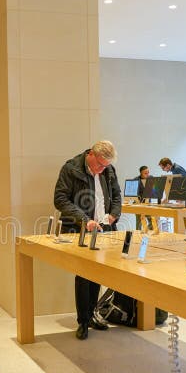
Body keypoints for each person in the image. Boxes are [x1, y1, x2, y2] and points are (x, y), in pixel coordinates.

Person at [54, 141, 122, 340]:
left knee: (97, 273)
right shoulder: (71, 168)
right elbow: (60, 199)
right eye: (99, 165)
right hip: (80, 228)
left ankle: (92, 314)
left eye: (105, 166)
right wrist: (85, 220)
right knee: (83, 274)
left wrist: (114, 214)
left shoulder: (108, 169)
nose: (102, 169)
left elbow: (117, 195)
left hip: (105, 227)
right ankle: (83, 321)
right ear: (90, 154)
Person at [135, 165, 153, 231]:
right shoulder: (136, 180)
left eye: (148, 172)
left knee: (152, 221)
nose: (147, 174)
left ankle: (148, 234)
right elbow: (134, 193)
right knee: (139, 223)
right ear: (141, 173)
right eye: (145, 173)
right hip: (138, 204)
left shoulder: (151, 178)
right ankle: (137, 236)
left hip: (148, 204)